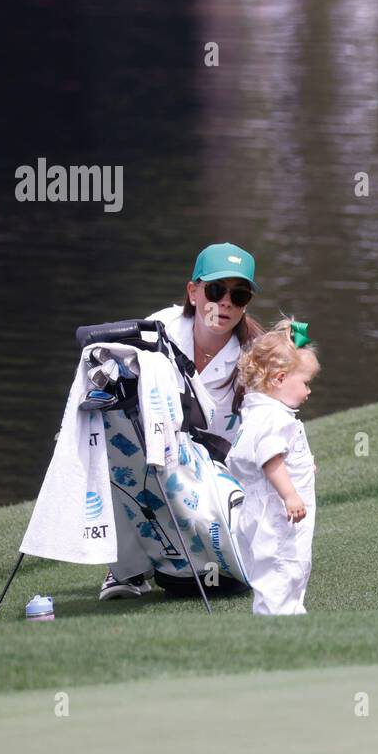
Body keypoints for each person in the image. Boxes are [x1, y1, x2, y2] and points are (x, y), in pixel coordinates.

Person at [98, 241, 266, 600]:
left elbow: (266, 429)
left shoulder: (257, 355)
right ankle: (127, 570)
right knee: (117, 443)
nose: (224, 303)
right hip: (164, 452)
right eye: (216, 290)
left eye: (238, 296)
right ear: (193, 292)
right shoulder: (160, 327)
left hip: (226, 470)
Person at [226, 319, 320, 615]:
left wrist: (302, 468)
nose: (308, 392)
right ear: (279, 379)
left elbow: (277, 457)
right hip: (277, 517)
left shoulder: (259, 413)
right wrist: (290, 494)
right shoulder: (272, 418)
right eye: (305, 383)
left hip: (267, 514)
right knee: (281, 568)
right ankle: (278, 618)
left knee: (287, 568)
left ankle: (289, 611)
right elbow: (270, 458)